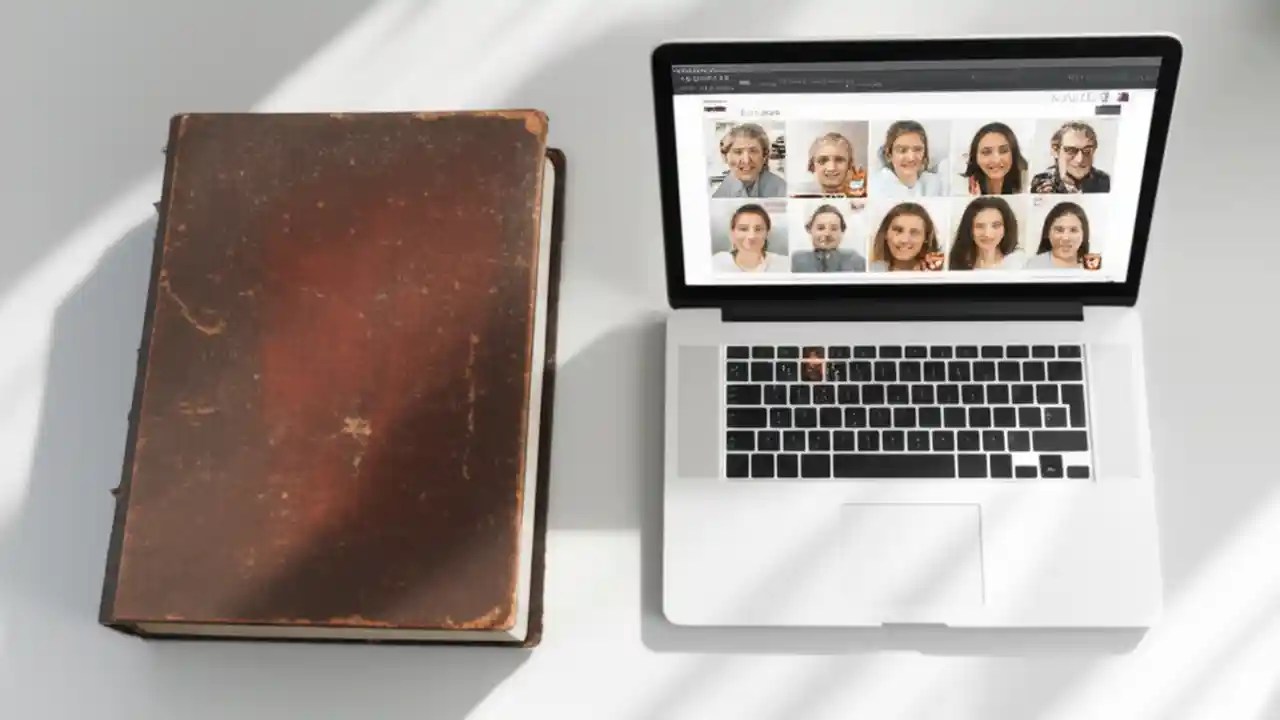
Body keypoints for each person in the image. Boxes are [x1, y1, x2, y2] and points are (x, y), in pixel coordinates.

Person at [1029, 121, 1111, 193]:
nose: (1080, 159)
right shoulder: (1044, 183)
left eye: (1087, 151)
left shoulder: (1103, 180)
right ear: (1055, 150)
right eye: (1071, 150)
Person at [948, 196, 1027, 270]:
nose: (987, 234)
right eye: (979, 226)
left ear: (1006, 227)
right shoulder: (955, 265)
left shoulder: (1019, 264)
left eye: (996, 226)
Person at [711, 123, 787, 198]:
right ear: (725, 157)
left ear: (764, 156)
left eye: (753, 151)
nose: (746, 160)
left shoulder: (782, 190)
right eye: (738, 152)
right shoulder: (716, 192)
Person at [872, 120, 945, 198]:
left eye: (917, 149)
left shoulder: (935, 183)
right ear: (889, 155)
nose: (911, 158)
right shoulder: (875, 188)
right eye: (902, 150)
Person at [711, 203, 789, 273]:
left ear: (767, 233)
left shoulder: (784, 265)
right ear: (732, 233)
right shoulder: (716, 263)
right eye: (743, 229)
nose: (751, 236)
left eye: (758, 229)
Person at [868, 202, 942, 272]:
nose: (904, 240)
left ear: (926, 237)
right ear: (885, 234)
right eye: (898, 230)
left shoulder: (942, 274)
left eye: (914, 233)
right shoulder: (869, 272)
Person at [791, 204, 866, 273]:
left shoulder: (855, 261)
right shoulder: (798, 261)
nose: (827, 234)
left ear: (842, 231)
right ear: (810, 229)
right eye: (821, 228)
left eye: (834, 229)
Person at [960, 122, 1028, 195]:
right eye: (986, 152)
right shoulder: (962, 188)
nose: (996, 160)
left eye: (1003, 151)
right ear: (975, 157)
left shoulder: (1026, 183)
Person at [791, 132, 867, 197]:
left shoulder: (864, 197)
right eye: (823, 160)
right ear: (812, 166)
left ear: (849, 164)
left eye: (839, 160)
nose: (831, 168)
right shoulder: (798, 198)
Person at [1025, 202, 1091, 269]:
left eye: (1073, 230)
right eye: (1059, 230)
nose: (1066, 238)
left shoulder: (1092, 266)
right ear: (1048, 233)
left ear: (1084, 234)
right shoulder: (1033, 266)